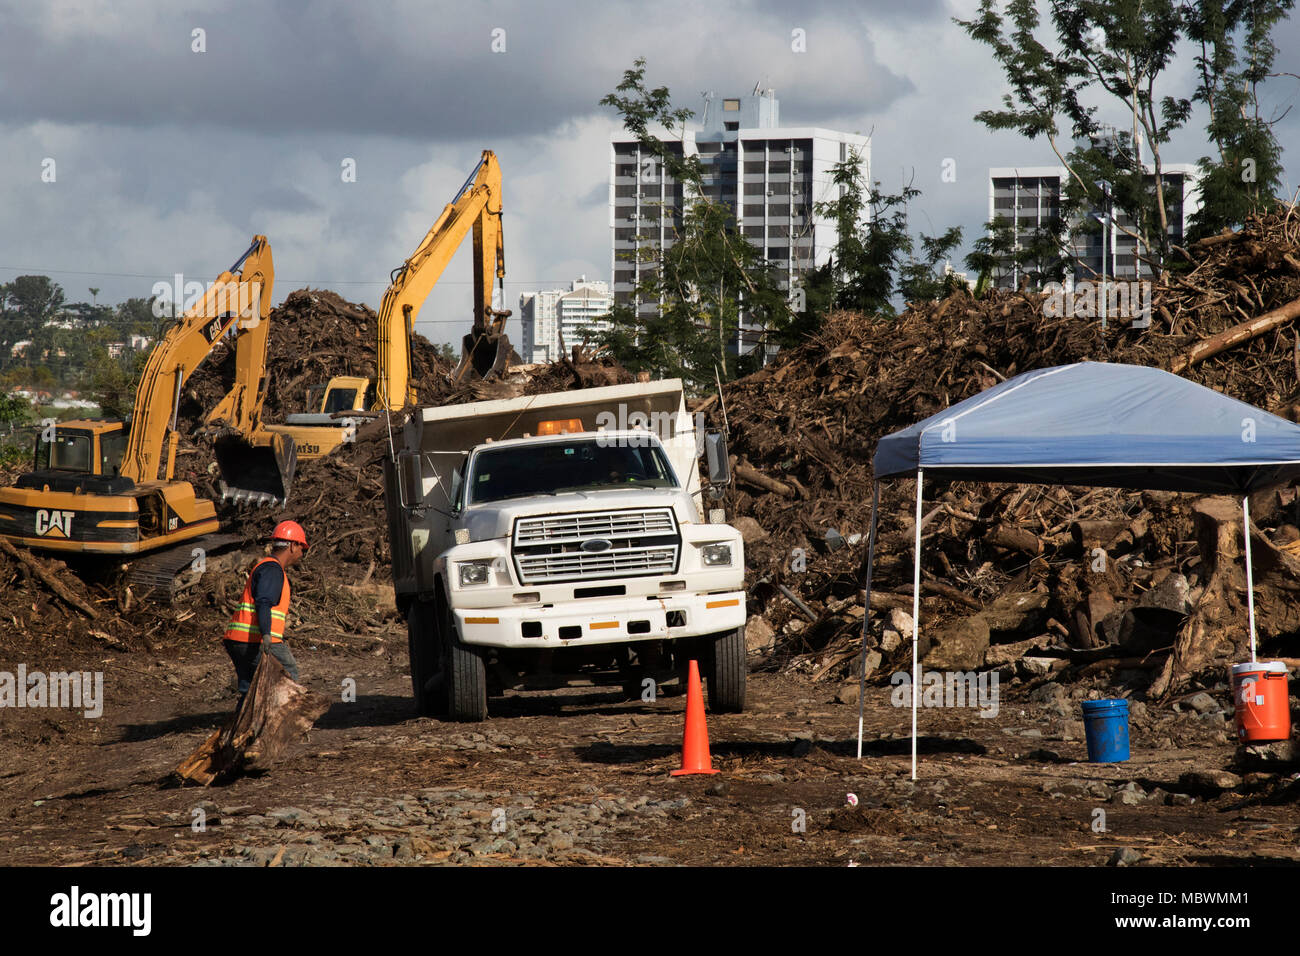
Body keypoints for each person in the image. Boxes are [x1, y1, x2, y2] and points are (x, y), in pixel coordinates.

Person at [223, 520, 309, 709]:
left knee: (250, 691)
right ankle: (279, 726)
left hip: (237, 641)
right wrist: (267, 635)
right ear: (293, 546)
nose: (301, 554)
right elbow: (263, 602)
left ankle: (242, 729)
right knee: (288, 675)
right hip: (257, 641)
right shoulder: (273, 569)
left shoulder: (265, 567)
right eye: (302, 548)